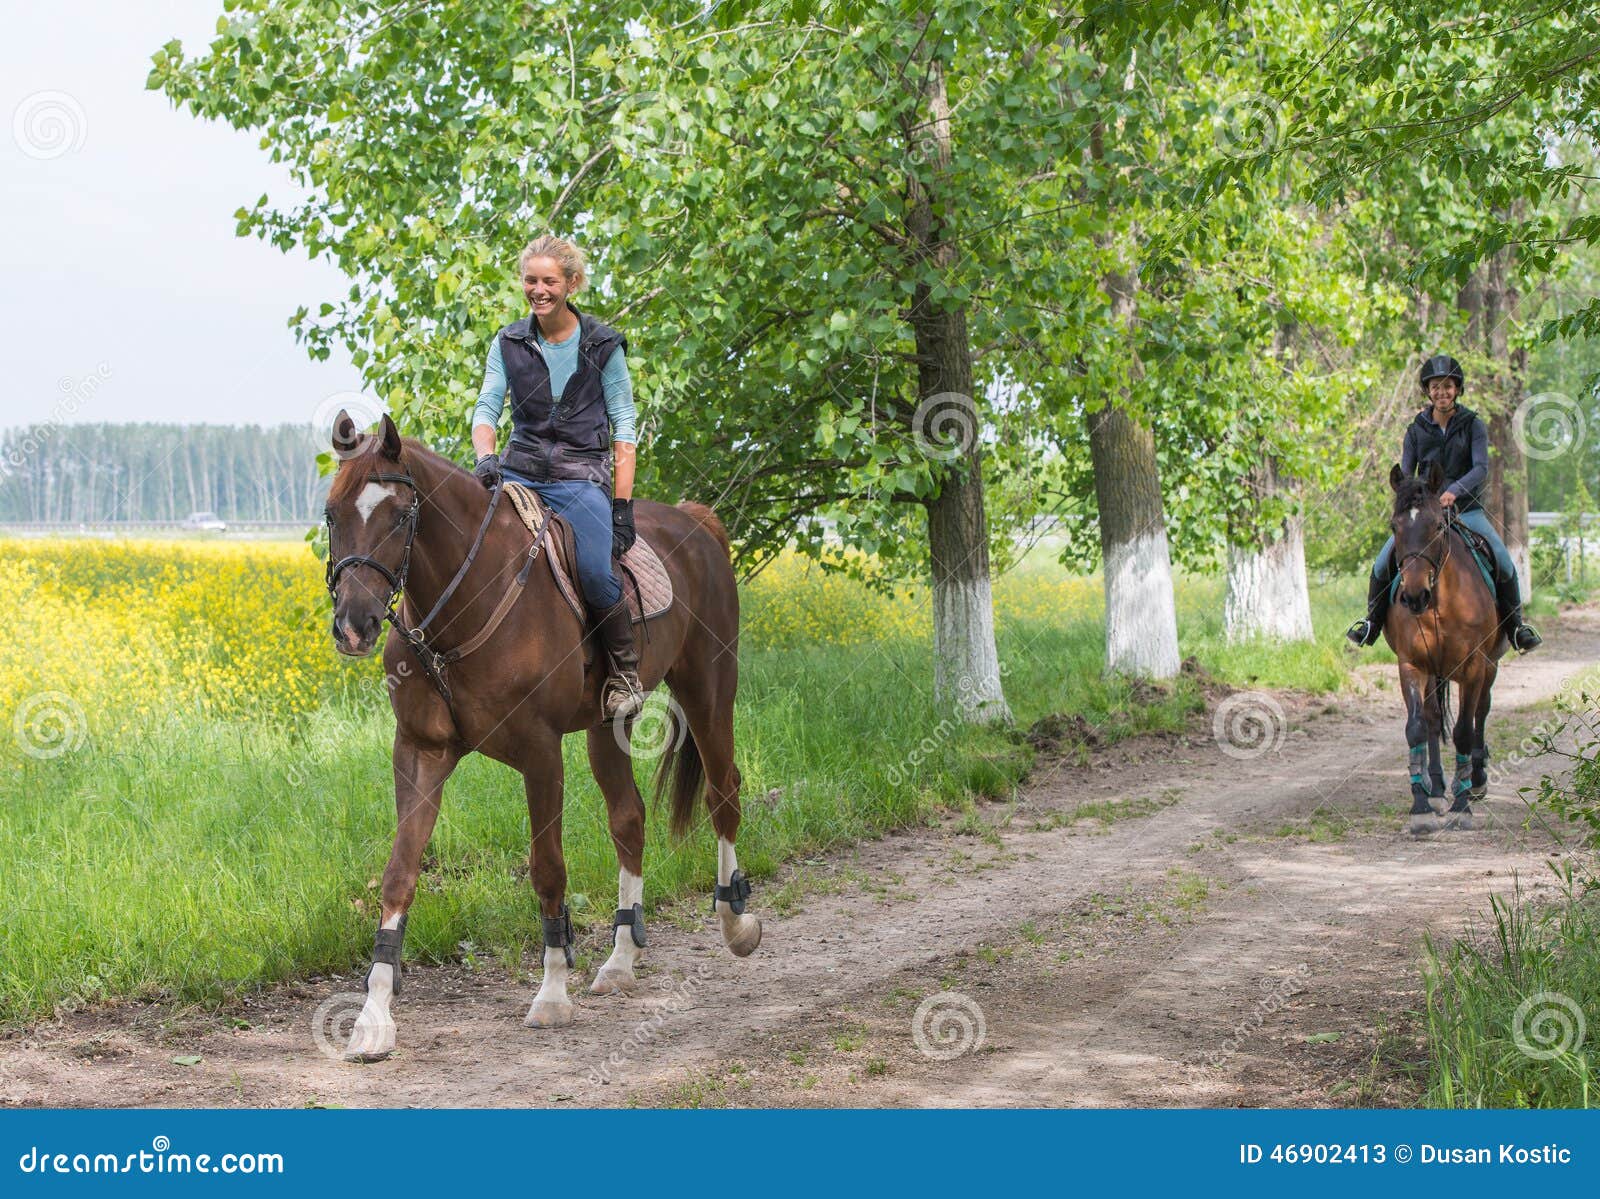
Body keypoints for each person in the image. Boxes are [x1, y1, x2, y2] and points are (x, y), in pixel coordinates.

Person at [471, 235, 645, 719]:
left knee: (594, 568)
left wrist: (622, 506)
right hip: (517, 472)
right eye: (531, 280)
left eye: (550, 280)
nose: (539, 289)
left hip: (578, 478)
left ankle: (625, 672)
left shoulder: (604, 345)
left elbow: (624, 426)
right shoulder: (508, 341)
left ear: (572, 283)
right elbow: (487, 408)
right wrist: (486, 458)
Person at [1346, 354, 1541, 654]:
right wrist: (1414, 499)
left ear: (1458, 389)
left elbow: (1480, 468)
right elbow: (1408, 474)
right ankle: (1371, 623)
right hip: (1425, 516)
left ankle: (1516, 628)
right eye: (1435, 386)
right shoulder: (1415, 430)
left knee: (1502, 559)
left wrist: (1453, 490)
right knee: (1383, 561)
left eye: (1448, 386)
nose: (1442, 392)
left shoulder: (1472, 425)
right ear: (1427, 391)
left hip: (1467, 510)